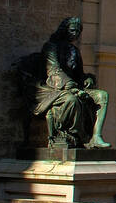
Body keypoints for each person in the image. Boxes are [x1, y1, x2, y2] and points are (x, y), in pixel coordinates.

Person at [35, 17, 111, 148]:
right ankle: (76, 136)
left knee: (102, 96)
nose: (75, 34)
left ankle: (96, 137)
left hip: (75, 86)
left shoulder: (75, 51)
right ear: (64, 30)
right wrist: (72, 87)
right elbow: (54, 70)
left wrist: (87, 79)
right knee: (72, 100)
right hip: (55, 88)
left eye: (77, 32)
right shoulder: (50, 47)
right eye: (72, 30)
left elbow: (79, 74)